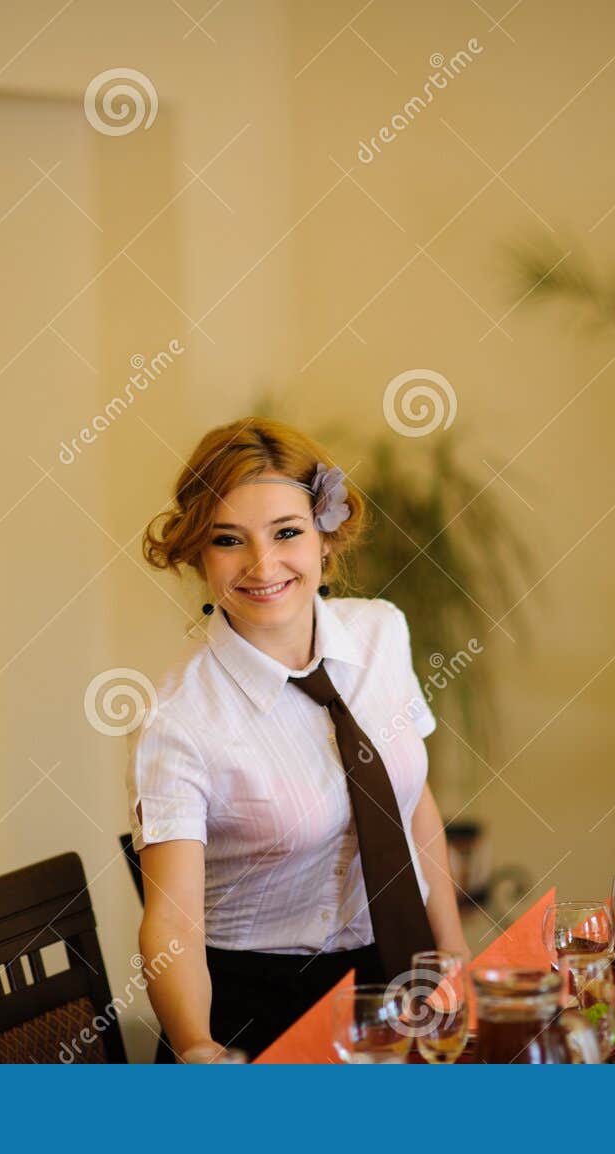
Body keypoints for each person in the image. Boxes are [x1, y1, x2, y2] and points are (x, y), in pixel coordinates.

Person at [127, 416, 469, 1063]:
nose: (263, 565)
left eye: (286, 532)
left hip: (396, 982)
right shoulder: (178, 720)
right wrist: (198, 1045)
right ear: (199, 554)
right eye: (229, 540)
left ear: (324, 537)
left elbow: (413, 802)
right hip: (255, 1012)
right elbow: (172, 920)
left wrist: (452, 956)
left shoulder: (381, 633)